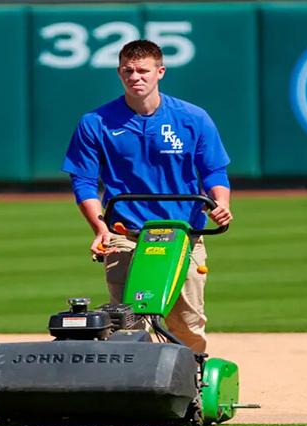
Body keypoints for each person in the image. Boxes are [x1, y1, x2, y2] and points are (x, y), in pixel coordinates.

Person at [61, 39, 232, 354]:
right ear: (119, 73)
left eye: (143, 70)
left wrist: (221, 203)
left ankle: (190, 375)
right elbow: (83, 181)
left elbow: (213, 171)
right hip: (125, 232)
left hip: (183, 233)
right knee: (128, 323)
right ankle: (135, 381)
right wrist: (100, 229)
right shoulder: (95, 122)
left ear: (160, 72)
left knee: (187, 323)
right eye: (128, 71)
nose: (135, 77)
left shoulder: (193, 118)